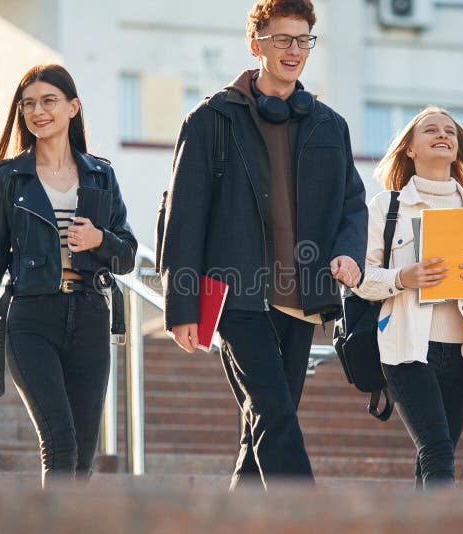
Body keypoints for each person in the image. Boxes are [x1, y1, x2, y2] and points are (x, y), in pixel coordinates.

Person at [159, 0, 368, 491]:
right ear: (256, 44)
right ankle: (308, 516)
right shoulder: (211, 119)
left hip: (304, 296)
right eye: (282, 39)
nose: (294, 50)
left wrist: (348, 251)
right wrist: (181, 305)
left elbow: (353, 203)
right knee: (274, 415)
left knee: (265, 424)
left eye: (302, 40)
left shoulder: (328, 125)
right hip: (236, 294)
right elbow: (182, 216)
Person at [0, 64, 137, 487]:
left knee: (83, 459)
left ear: (73, 107)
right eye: (28, 103)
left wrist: (100, 240)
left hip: (90, 316)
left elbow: (127, 255)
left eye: (49, 101)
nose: (38, 111)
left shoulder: (100, 175)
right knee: (61, 444)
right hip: (31, 319)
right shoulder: (8, 178)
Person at [353, 106, 463, 490]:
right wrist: (403, 276)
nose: (443, 134)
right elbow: (361, 278)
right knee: (438, 454)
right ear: (409, 149)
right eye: (430, 130)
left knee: (433, 457)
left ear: (458, 148)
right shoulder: (385, 207)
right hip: (406, 349)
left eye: (451, 131)